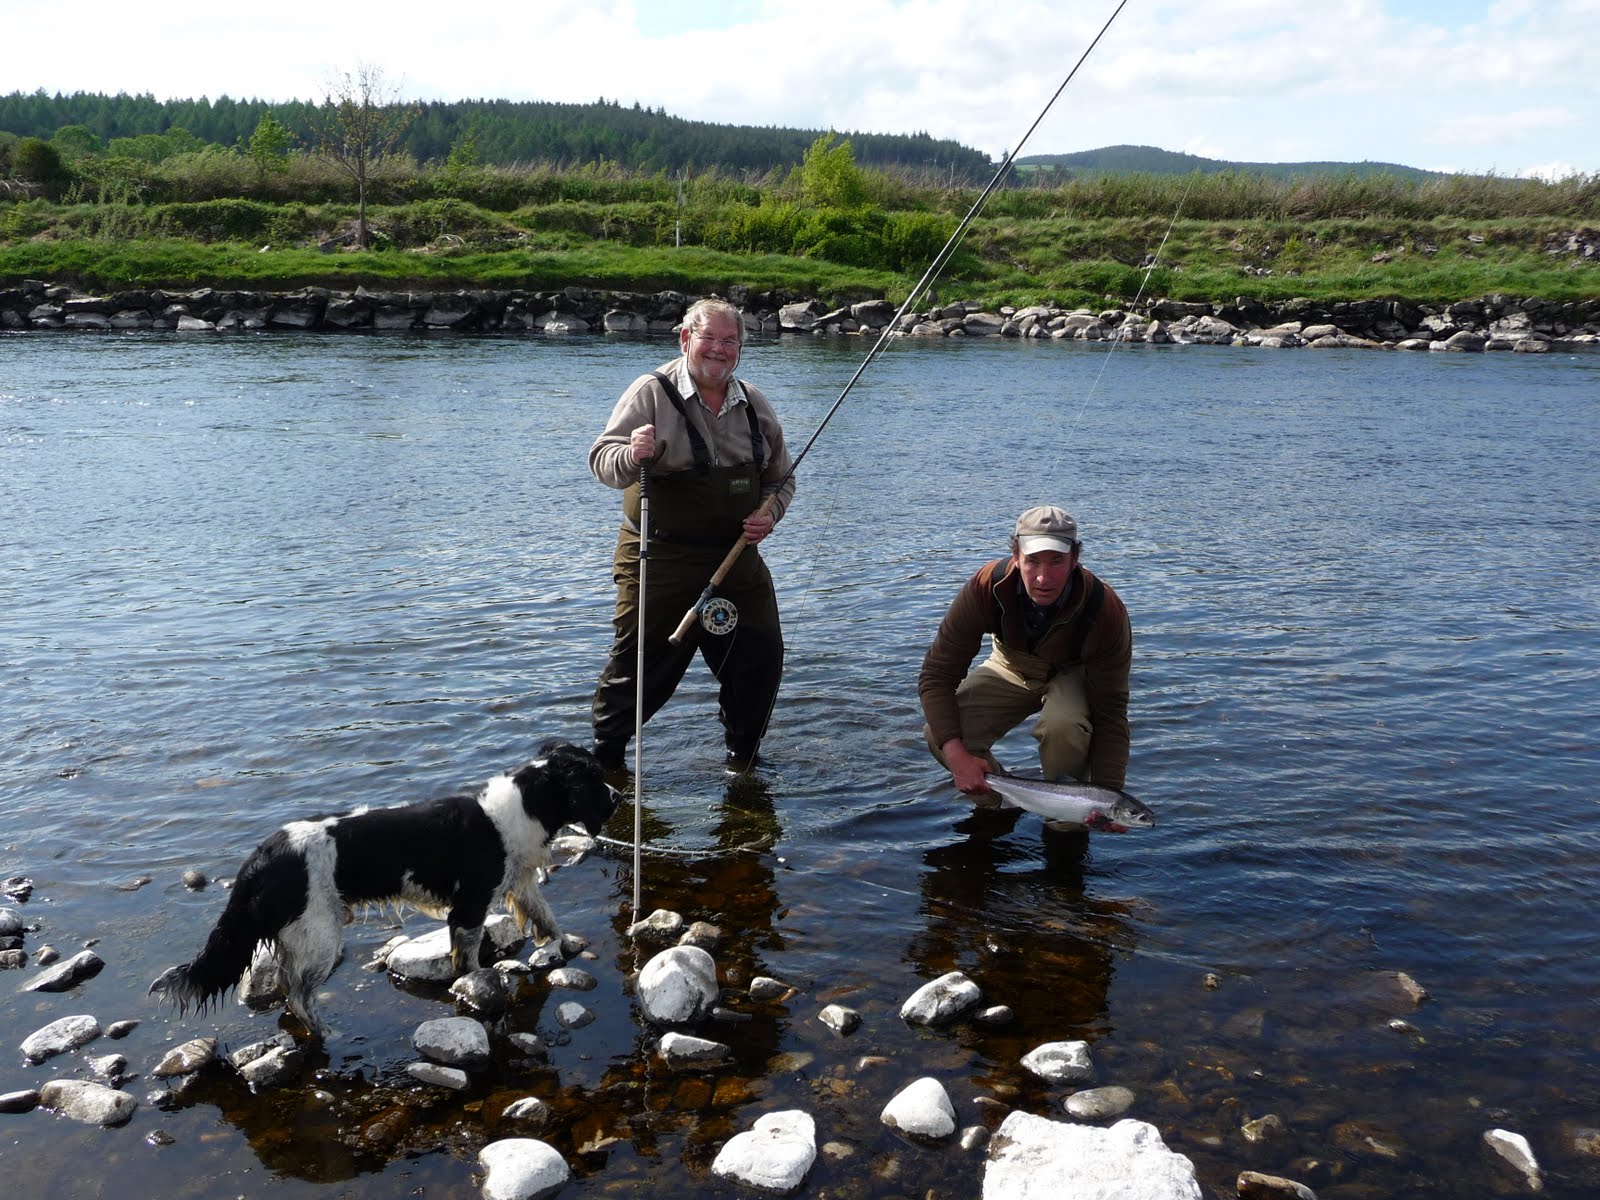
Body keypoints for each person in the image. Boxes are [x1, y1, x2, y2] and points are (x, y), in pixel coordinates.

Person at [588, 298, 796, 775]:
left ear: (741, 347)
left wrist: (769, 515)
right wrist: (631, 454)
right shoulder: (650, 392)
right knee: (641, 662)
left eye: (730, 341)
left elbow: (780, 480)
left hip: (735, 557)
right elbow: (601, 461)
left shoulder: (755, 404)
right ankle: (606, 762)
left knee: (760, 656)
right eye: (709, 339)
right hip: (658, 555)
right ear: (686, 339)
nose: (719, 350)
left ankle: (743, 761)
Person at [919, 505, 1132, 805]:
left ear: (1074, 559)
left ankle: (1066, 821)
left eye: (1056, 561)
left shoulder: (1105, 609)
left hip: (1072, 674)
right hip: (1010, 666)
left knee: (1062, 728)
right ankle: (1000, 805)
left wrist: (1110, 799)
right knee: (941, 734)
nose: (1043, 578)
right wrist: (956, 757)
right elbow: (937, 676)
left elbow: (1111, 712)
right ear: (1016, 556)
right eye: (1032, 561)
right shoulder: (986, 586)